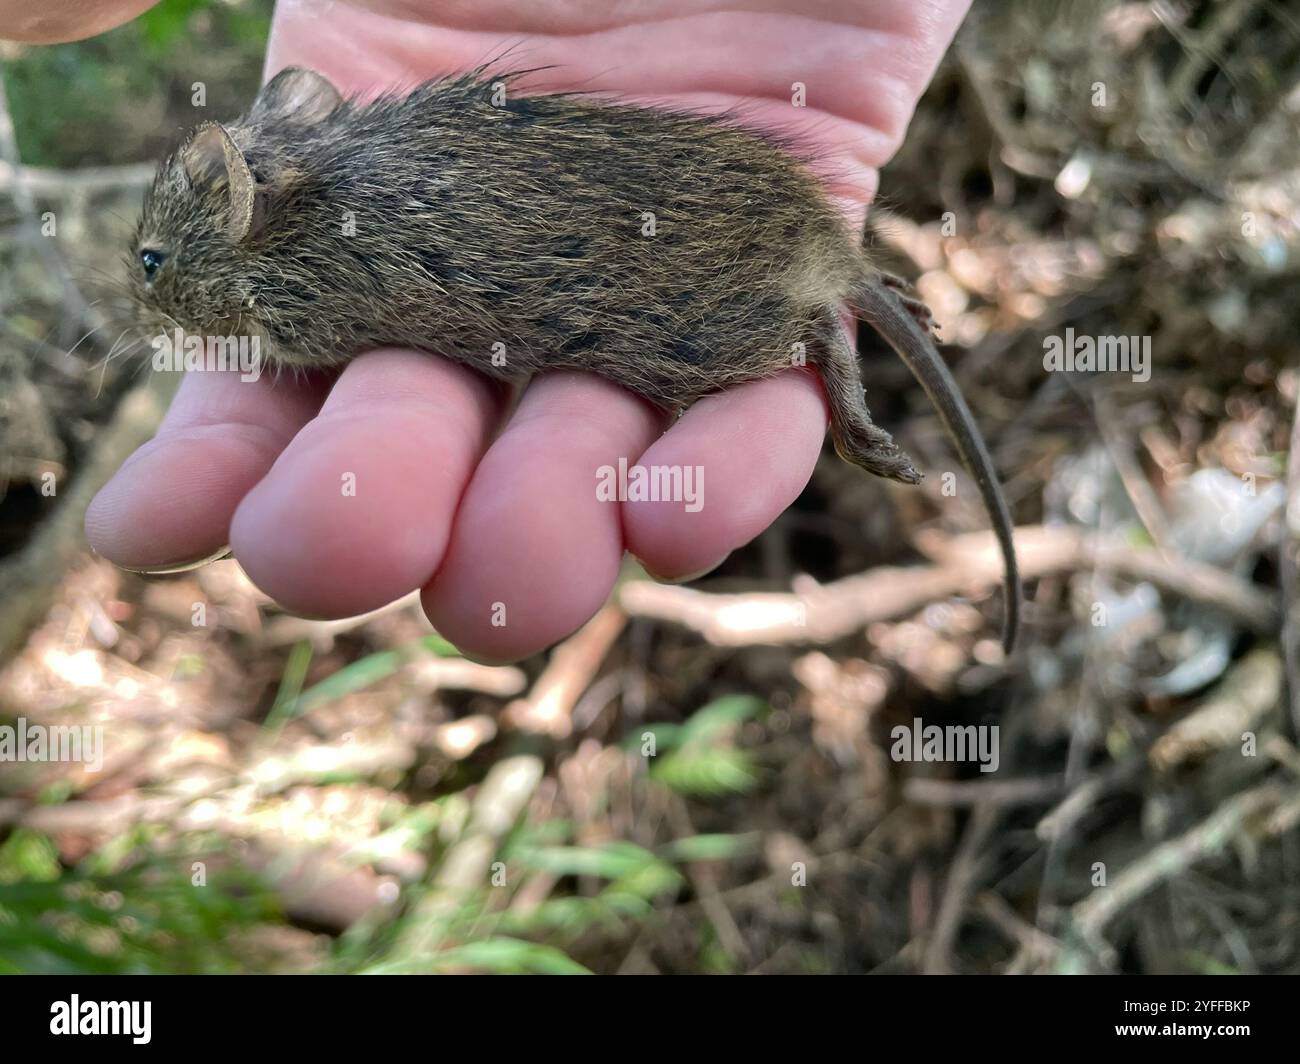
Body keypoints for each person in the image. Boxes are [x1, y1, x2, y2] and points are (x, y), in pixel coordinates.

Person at [4, 0, 971, 662]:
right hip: (697, 198)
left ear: (240, 224)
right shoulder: (333, 171)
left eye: (156, 271)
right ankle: (840, 288)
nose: (148, 293)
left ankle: (832, 337)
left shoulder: (292, 285)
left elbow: (312, 323)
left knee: (656, 343)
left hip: (585, 274)